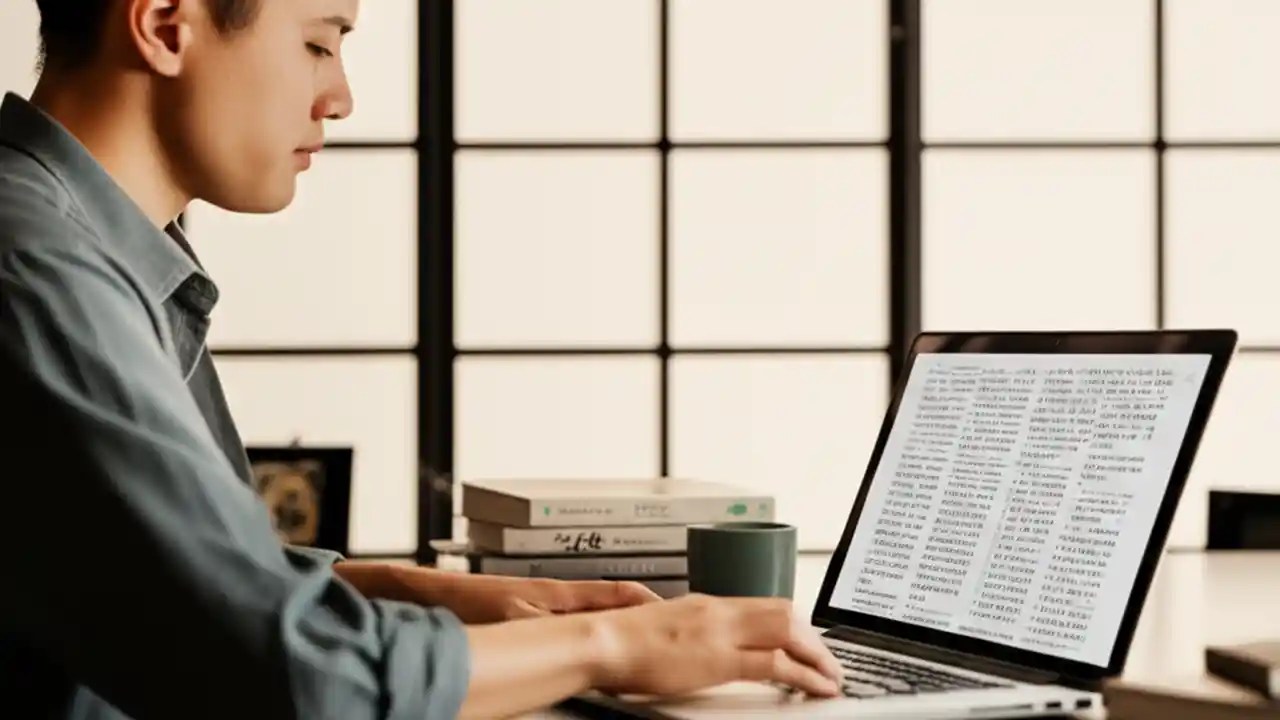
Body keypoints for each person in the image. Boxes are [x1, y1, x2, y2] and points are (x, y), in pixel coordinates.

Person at [0, 1, 844, 717]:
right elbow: (282, 671)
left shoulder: (86, 248)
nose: (340, 97)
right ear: (164, 25)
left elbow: (171, 582)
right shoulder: (36, 265)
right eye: (318, 43)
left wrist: (436, 592)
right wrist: (616, 644)